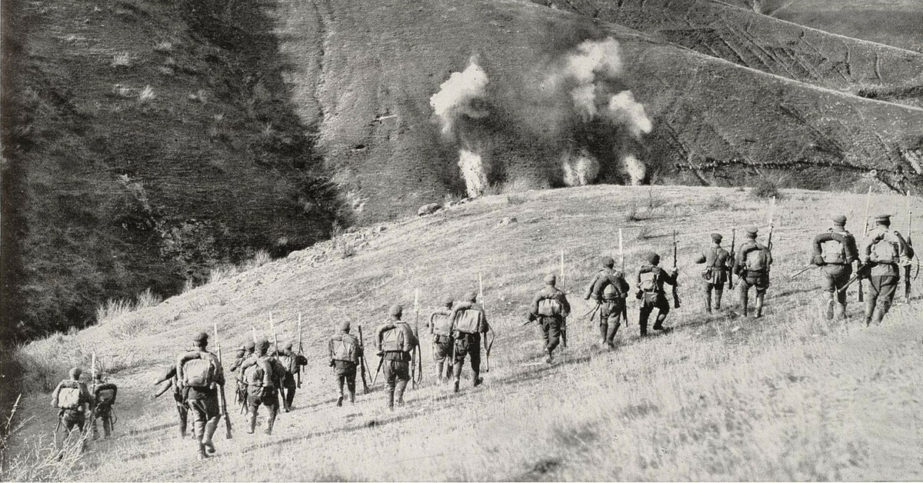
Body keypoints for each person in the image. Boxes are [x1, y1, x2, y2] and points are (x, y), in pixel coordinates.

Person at [175, 331, 225, 459]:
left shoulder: (184, 358)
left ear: (194, 343)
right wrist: (217, 381)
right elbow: (220, 378)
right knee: (214, 416)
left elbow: (179, 377)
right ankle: (207, 438)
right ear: (206, 343)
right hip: (208, 393)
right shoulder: (211, 357)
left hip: (191, 394)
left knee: (198, 420)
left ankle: (200, 453)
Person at [862, 214, 914, 325]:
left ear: (876, 223)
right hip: (890, 271)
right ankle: (876, 324)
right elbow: (907, 255)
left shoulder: (870, 235)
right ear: (888, 223)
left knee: (871, 296)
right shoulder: (895, 236)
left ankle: (866, 321)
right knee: (884, 300)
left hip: (874, 271)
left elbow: (864, 254)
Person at [811, 215, 860, 320]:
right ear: (844, 223)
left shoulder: (826, 236)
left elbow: (816, 250)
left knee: (827, 291)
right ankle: (841, 315)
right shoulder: (849, 237)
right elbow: (854, 254)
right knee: (842, 292)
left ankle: (829, 300)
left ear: (834, 223)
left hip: (827, 267)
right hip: (843, 268)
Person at [376, 305, 418, 409]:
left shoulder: (384, 327)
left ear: (390, 314)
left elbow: (376, 343)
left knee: (389, 382)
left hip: (387, 359)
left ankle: (389, 406)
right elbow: (411, 343)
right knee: (404, 378)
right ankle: (398, 398)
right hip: (401, 358)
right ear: (401, 314)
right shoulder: (405, 326)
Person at [240, 339, 284, 435]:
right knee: (272, 408)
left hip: (252, 389)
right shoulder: (271, 360)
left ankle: (250, 427)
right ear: (266, 349)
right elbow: (281, 373)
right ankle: (268, 428)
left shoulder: (249, 360)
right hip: (267, 389)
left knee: (252, 407)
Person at [583, 256, 629, 349]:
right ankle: (610, 340)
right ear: (613, 264)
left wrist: (587, 296)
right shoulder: (618, 274)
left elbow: (591, 286)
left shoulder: (600, 274)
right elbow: (627, 287)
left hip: (604, 302)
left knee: (603, 319)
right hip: (617, 302)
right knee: (614, 321)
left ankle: (603, 339)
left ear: (603, 265)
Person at [449, 292, 490, 393]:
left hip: (460, 338)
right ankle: (474, 381)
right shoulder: (479, 309)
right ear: (474, 299)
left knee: (458, 360)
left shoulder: (458, 308)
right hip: (473, 338)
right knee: (475, 359)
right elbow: (482, 328)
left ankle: (456, 379)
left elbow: (451, 323)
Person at [530, 274, 571, 363]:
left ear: (545, 283)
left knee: (545, 338)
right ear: (554, 282)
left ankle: (548, 356)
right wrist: (565, 313)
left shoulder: (540, 293)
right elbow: (566, 307)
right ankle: (548, 350)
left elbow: (533, 306)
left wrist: (533, 316)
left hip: (541, 319)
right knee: (555, 339)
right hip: (554, 319)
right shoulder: (559, 293)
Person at [635, 252, 678, 335]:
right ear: (657, 261)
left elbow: (637, 284)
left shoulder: (641, 270)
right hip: (657, 295)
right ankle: (657, 325)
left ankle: (643, 333)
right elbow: (671, 281)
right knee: (665, 308)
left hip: (645, 296)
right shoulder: (659, 270)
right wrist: (674, 273)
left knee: (644, 314)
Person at [735, 227, 773, 318]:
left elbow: (738, 263)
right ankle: (758, 313)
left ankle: (743, 313)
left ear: (747, 236)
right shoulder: (764, 248)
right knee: (760, 292)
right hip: (761, 275)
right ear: (755, 236)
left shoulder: (744, 247)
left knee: (743, 290)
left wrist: (736, 272)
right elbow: (770, 260)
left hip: (748, 275)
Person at [51, 367, 93, 442]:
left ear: (70, 375)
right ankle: (84, 448)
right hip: (79, 413)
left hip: (66, 412)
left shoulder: (63, 383)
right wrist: (90, 409)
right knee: (82, 431)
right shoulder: (81, 385)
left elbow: (54, 395)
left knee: (65, 434)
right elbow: (88, 398)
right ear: (79, 376)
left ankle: (63, 451)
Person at [694, 233, 733, 314]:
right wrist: (732, 256)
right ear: (720, 241)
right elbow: (731, 265)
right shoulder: (725, 252)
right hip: (720, 275)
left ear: (712, 240)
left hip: (709, 275)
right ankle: (717, 307)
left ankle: (708, 310)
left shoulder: (706, 250)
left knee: (707, 291)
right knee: (718, 291)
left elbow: (697, 260)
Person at [328, 321, 362, 406]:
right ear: (349, 329)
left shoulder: (333, 339)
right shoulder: (353, 339)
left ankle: (340, 393)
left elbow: (330, 351)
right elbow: (359, 353)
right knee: (351, 382)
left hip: (338, 363)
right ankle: (351, 401)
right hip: (350, 364)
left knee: (339, 380)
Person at [153, 365, 189, 438]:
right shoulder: (173, 375)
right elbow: (167, 384)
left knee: (190, 415)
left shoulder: (188, 372)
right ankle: (183, 435)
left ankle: (192, 433)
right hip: (179, 397)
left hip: (189, 396)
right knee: (182, 416)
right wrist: (157, 394)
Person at [429, 296, 455, 382]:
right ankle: (449, 377)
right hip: (451, 340)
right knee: (451, 359)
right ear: (451, 304)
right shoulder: (453, 313)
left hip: (439, 340)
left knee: (439, 360)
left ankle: (439, 379)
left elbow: (429, 324)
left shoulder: (436, 313)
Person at [276, 341, 307, 412]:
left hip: (277, 377)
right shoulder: (293, 356)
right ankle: (288, 405)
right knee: (292, 388)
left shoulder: (277, 354)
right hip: (288, 376)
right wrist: (299, 359)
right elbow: (294, 371)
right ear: (290, 348)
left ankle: (278, 408)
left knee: (276, 391)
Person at [91, 372, 118, 440]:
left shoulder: (96, 387)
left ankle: (95, 434)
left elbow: (93, 399)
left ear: (95, 379)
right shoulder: (109, 386)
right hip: (107, 407)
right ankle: (107, 434)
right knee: (106, 419)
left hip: (98, 407)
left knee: (92, 418)